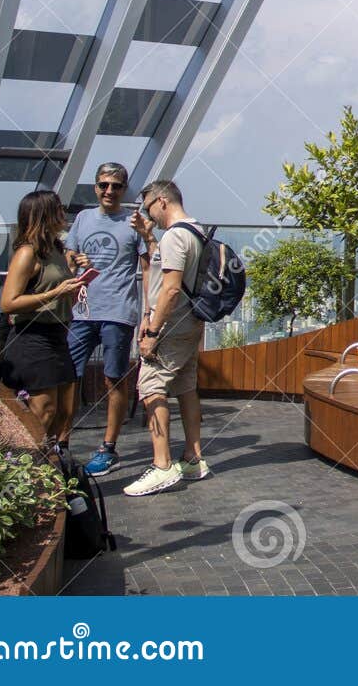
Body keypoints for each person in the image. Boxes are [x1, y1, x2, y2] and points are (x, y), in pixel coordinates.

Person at [124, 179, 212, 496]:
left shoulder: (175, 236)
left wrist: (151, 331)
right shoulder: (197, 230)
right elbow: (165, 275)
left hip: (171, 326)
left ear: (162, 201)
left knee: (151, 387)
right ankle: (193, 458)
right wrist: (148, 238)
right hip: (191, 323)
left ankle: (161, 465)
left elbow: (171, 290)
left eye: (149, 207)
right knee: (186, 387)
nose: (149, 215)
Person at [65, 162, 146, 476]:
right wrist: (76, 260)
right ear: (95, 187)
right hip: (82, 311)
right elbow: (70, 254)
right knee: (68, 376)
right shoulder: (83, 218)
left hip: (118, 312)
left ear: (124, 189)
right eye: (104, 185)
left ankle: (108, 448)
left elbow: (148, 265)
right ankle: (61, 443)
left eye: (116, 185)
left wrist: (148, 313)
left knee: (114, 379)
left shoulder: (134, 222)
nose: (109, 191)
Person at [0, 190, 85, 448]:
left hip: (58, 335)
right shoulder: (27, 253)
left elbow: (58, 297)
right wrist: (55, 292)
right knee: (43, 411)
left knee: (64, 412)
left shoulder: (56, 250)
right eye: (58, 208)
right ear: (45, 214)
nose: (63, 213)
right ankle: (28, 463)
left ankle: (49, 462)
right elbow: (8, 303)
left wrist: (75, 283)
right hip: (33, 338)